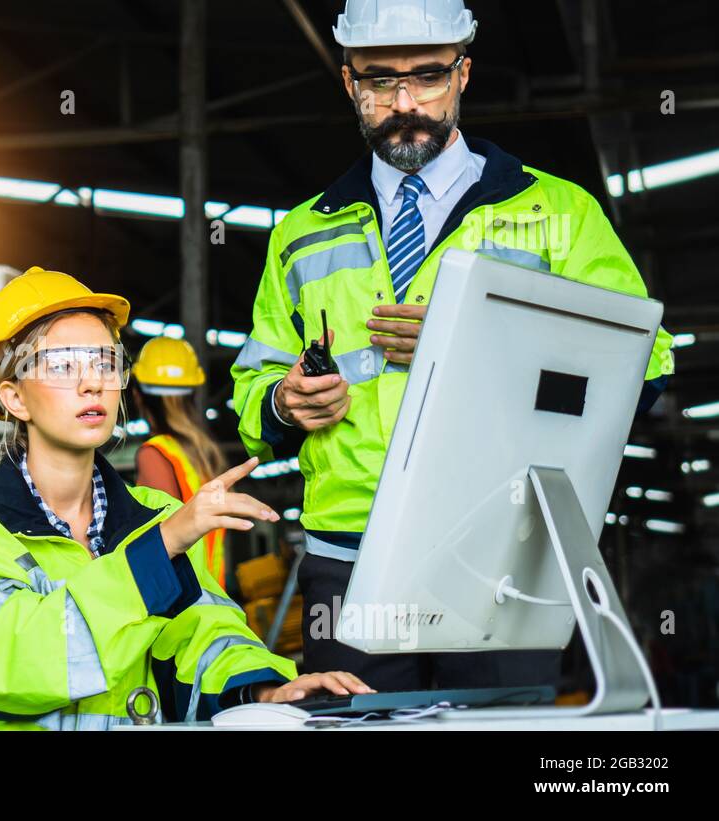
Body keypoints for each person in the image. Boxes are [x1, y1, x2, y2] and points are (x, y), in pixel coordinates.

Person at [230, 0, 674, 692]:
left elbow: (645, 363)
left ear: (463, 74)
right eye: (379, 81)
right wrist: (284, 402)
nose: (404, 102)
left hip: (499, 550)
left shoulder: (558, 215)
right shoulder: (299, 235)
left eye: (428, 76)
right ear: (349, 82)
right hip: (348, 558)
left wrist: (473, 343)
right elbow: (251, 391)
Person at [0, 266, 371, 729]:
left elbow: (202, 634)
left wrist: (265, 691)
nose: (92, 383)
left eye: (105, 362)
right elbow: (11, 664)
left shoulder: (156, 515)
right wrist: (159, 549)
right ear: (15, 398)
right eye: (63, 365)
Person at [131, 336, 230, 589]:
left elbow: (160, 544)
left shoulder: (155, 455)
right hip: (211, 595)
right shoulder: (202, 455)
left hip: (180, 602)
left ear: (138, 395)